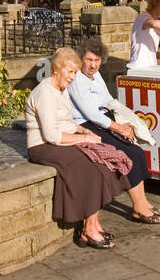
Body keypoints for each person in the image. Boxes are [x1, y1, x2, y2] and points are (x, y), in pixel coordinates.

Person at [26, 47, 132, 249]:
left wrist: (83, 132)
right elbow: (51, 135)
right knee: (88, 165)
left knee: (102, 161)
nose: (74, 77)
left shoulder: (60, 89)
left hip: (58, 141)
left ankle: (92, 224)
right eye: (70, 72)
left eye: (75, 72)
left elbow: (65, 122)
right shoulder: (45, 93)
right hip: (42, 146)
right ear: (56, 69)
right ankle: (89, 229)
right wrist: (84, 141)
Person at [67, 37, 160, 224]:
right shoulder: (77, 79)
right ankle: (139, 207)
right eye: (89, 60)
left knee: (135, 149)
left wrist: (125, 122)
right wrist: (119, 127)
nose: (93, 65)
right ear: (81, 59)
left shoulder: (96, 77)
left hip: (104, 121)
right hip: (87, 125)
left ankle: (142, 202)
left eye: (96, 61)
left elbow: (107, 100)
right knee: (127, 153)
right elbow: (90, 113)